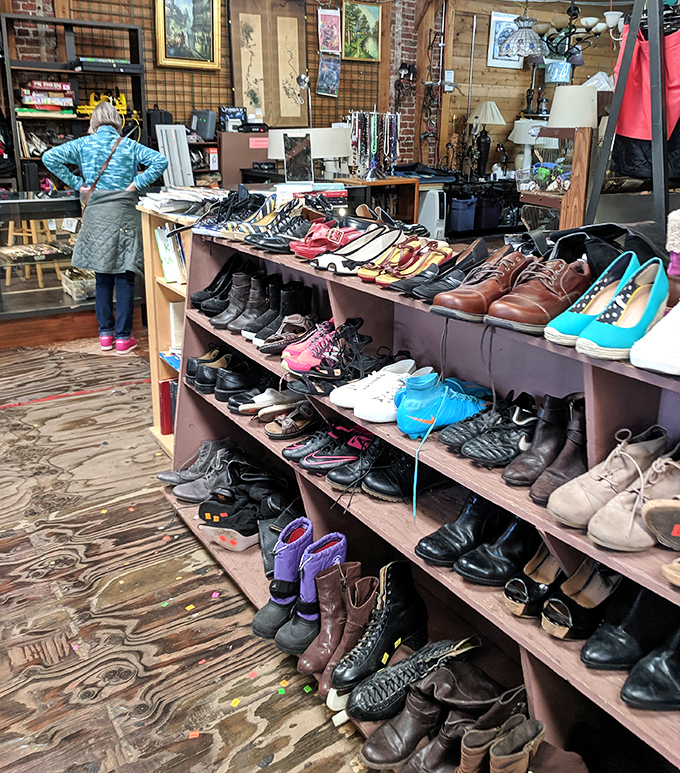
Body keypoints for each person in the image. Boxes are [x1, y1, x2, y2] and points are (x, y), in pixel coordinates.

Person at [43, 101, 168, 353]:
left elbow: (49, 157)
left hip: (96, 213)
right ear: (117, 122)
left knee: (102, 278)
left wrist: (77, 182)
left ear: (93, 123)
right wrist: (137, 183)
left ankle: (105, 336)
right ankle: (123, 338)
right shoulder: (128, 145)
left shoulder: (83, 144)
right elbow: (160, 161)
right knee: (124, 275)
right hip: (124, 213)